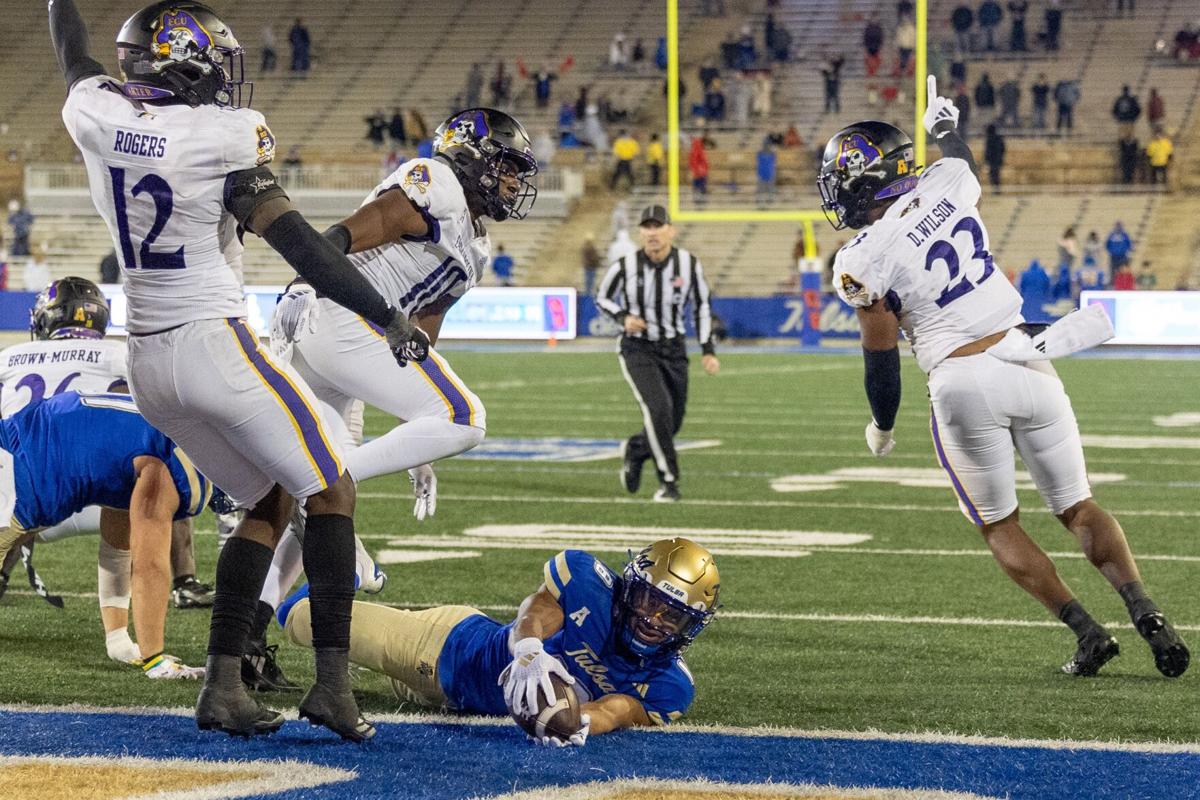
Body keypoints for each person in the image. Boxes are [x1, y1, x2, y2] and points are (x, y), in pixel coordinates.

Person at [51, 0, 428, 741]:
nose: (224, 81)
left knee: (267, 498)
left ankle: (223, 687)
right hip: (212, 341)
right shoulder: (222, 136)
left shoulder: (96, 113)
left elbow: (74, 57)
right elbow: (302, 248)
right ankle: (331, 687)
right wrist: (387, 315)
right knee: (332, 486)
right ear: (187, 64)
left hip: (150, 358)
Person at [817, 75, 1189, 680]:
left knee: (998, 524)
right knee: (1078, 506)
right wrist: (945, 128)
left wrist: (882, 425)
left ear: (864, 187)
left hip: (962, 379)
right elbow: (959, 160)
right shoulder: (949, 183)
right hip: (1027, 358)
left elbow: (880, 357)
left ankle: (1088, 633)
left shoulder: (862, 259)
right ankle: (1146, 611)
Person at [259, 109, 537, 686]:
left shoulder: (476, 246)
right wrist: (305, 280)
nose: (513, 184)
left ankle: (246, 638)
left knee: (304, 500)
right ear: (471, 158)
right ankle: (320, 478)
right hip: (339, 315)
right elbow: (346, 233)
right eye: (506, 168)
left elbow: (423, 331)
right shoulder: (434, 183)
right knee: (464, 416)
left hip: (360, 337)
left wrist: (420, 441)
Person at [282, 538, 720, 743]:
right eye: (648, 600)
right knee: (299, 619)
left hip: (449, 702)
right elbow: (540, 607)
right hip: (445, 649)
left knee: (395, 687)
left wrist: (573, 720)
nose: (652, 620)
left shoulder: (670, 685)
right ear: (629, 587)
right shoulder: (591, 584)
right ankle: (350, 572)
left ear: (692, 626)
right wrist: (529, 650)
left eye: (673, 615)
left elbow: (615, 710)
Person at [0, 277, 214, 647]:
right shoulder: (120, 354)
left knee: (14, 486)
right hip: (106, 500)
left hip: (31, 498)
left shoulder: (8, 358)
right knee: (160, 464)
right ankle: (185, 581)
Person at [0, 390, 215, 679]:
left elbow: (118, 544)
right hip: (15, 472)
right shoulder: (171, 458)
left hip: (24, 453)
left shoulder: (159, 436)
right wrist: (155, 659)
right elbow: (149, 566)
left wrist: (118, 639)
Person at [595, 205, 719, 503]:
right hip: (638, 347)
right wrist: (624, 317)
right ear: (640, 233)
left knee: (673, 421)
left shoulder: (688, 264)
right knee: (658, 411)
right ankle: (669, 482)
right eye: (647, 227)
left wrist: (707, 349)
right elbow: (601, 298)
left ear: (670, 231)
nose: (652, 233)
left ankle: (636, 451)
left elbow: (701, 305)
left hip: (673, 348)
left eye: (658, 226)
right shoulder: (625, 266)